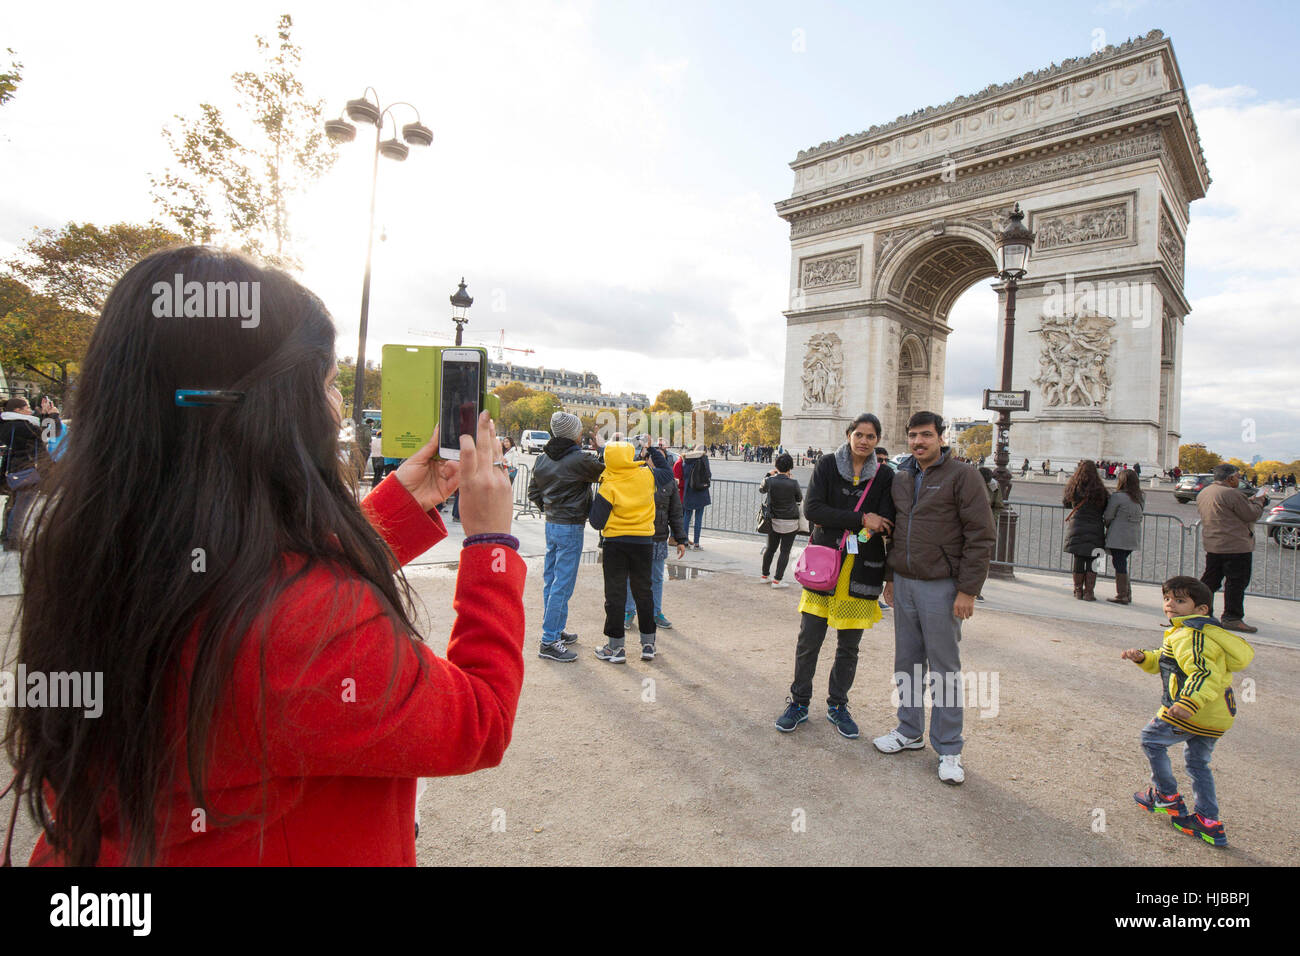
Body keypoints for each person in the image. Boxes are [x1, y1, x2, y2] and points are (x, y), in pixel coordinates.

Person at [9, 247, 523, 866]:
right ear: (277, 411)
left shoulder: (103, 547)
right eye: (329, 385)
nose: (335, 408)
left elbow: (253, 571)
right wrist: (491, 546)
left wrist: (397, 510)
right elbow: (478, 720)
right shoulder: (305, 628)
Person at [872, 411, 994, 786]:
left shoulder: (964, 477)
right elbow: (894, 531)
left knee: (945, 669)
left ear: (942, 438)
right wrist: (890, 578)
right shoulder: (902, 475)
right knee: (907, 662)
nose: (917, 442)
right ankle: (909, 730)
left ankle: (949, 747)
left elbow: (981, 535)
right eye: (912, 435)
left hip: (942, 586)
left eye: (925, 435)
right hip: (905, 582)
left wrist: (968, 590)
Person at [775, 414, 894, 740]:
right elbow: (812, 510)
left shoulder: (884, 475)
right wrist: (860, 518)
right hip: (826, 566)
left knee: (849, 647)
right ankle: (799, 702)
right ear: (848, 434)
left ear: (877, 440)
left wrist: (844, 519)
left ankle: (838, 705)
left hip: (860, 570)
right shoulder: (828, 464)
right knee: (808, 640)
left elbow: (884, 521)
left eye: (871, 436)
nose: (864, 441)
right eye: (859, 434)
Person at [1122, 576, 1254, 848]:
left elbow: (1203, 673)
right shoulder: (1194, 632)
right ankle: (1208, 821)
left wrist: (1188, 702)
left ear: (1202, 609)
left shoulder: (1191, 635)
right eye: (1167, 598)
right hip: (1217, 714)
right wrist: (1145, 658)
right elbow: (1169, 660)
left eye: (1180, 600)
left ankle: (1166, 796)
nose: (1170, 605)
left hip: (1192, 710)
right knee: (1197, 763)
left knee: (1151, 739)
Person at [528, 411, 606, 661]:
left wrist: (549, 508)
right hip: (571, 524)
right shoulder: (578, 459)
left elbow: (533, 492)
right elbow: (605, 470)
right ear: (575, 434)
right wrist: (602, 447)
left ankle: (555, 630)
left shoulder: (542, 459)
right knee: (563, 583)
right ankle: (549, 639)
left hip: (552, 522)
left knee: (552, 580)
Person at [589, 440, 658, 662]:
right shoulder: (647, 475)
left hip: (616, 543)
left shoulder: (609, 484)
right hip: (644, 541)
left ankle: (615, 647)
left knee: (615, 594)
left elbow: (597, 522)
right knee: (644, 592)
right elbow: (664, 473)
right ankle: (648, 644)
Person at [623, 445, 687, 632]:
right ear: (647, 459)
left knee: (657, 577)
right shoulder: (635, 477)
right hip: (636, 535)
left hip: (658, 536)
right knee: (631, 576)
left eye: (662, 457)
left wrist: (680, 539)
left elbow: (676, 512)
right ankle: (629, 611)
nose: (659, 460)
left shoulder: (669, 483)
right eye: (655, 457)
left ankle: (655, 612)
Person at [1197, 463, 1267, 633]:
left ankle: (1202, 613)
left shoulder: (1204, 492)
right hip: (1235, 546)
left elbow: (1226, 511)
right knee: (1236, 582)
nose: (1239, 479)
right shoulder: (1231, 493)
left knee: (1210, 581)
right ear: (1230, 478)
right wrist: (1259, 503)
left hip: (1214, 544)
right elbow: (1250, 514)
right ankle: (1232, 617)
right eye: (1237, 476)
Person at [1, 395, 58, 552]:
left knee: (13, 504)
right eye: (26, 408)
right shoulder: (21, 425)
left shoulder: (10, 424)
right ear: (17, 410)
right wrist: (51, 415)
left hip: (14, 470)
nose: (30, 410)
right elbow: (48, 434)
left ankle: (7, 536)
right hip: (25, 470)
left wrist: (45, 415)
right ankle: (13, 540)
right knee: (21, 506)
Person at [1063, 460, 1109, 601]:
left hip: (1077, 526)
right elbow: (1106, 506)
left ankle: (1077, 590)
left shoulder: (1074, 487)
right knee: (1094, 560)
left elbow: (1065, 503)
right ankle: (1089, 592)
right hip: (1095, 526)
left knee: (1078, 559)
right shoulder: (1101, 490)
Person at [759, 452, 803, 588]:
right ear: (790, 468)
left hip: (773, 520)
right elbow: (799, 499)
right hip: (790, 520)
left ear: (776, 466)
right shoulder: (793, 483)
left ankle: (764, 575)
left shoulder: (770, 481)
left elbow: (761, 490)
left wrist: (768, 475)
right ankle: (777, 580)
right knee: (785, 551)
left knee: (771, 549)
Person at [1103, 469, 1145, 605]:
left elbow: (1108, 516)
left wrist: (1108, 525)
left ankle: (1122, 595)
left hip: (1118, 535)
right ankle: (1127, 593)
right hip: (1133, 535)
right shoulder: (1141, 496)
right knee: (1122, 563)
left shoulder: (1117, 497)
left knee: (1119, 564)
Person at [976, 467, 1003, 602]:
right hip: (969, 526)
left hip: (986, 527)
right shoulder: (970, 483)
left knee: (982, 561)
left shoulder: (994, 487)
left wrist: (992, 519)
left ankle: (977, 590)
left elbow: (998, 506)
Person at [680, 442, 712, 550]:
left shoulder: (687, 459)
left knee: (686, 517)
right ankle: (697, 542)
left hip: (689, 490)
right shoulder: (703, 459)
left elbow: (684, 474)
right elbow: (708, 474)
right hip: (700, 491)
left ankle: (684, 541)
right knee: (698, 518)